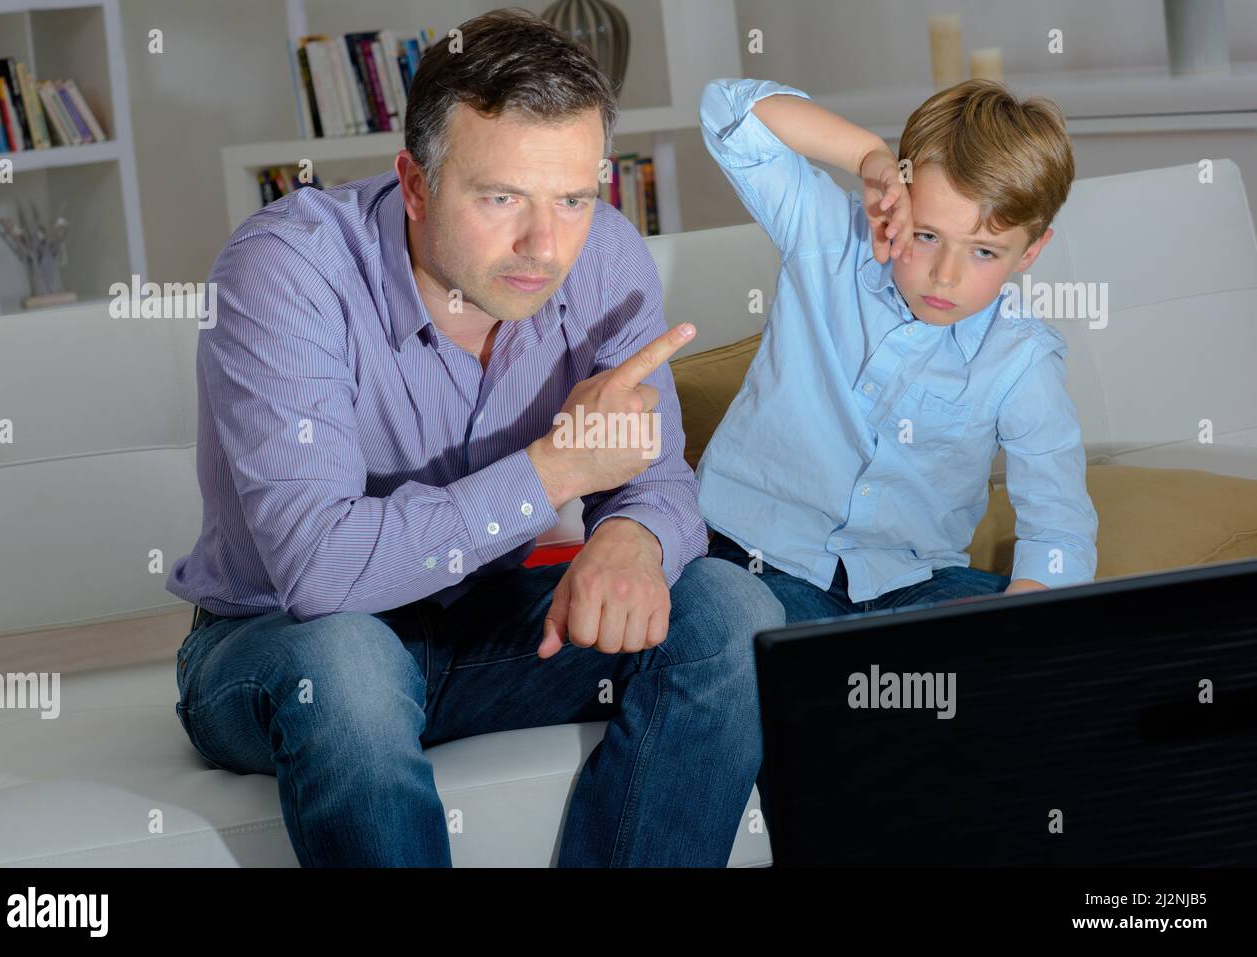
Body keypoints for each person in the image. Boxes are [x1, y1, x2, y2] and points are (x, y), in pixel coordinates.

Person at [166, 9, 783, 867]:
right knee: (350, 666)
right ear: (416, 185)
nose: (545, 244)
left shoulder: (602, 257)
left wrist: (633, 537)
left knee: (734, 610)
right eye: (501, 198)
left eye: (573, 198)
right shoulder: (285, 272)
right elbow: (320, 570)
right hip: (281, 641)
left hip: (486, 627)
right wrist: (555, 468)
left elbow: (656, 475)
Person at [698, 76, 1098, 623]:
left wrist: (1020, 628)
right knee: (748, 628)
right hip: (757, 558)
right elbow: (726, 109)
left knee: (1020, 640)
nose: (946, 276)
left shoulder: (1022, 359)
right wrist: (868, 154)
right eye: (927, 235)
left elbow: (1058, 526)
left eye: (984, 251)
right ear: (899, 198)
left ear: (1031, 251)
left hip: (910, 580)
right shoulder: (828, 238)